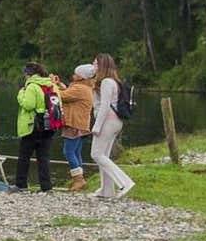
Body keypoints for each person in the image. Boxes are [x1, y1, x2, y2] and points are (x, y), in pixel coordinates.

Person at [89, 52, 134, 200]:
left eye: (96, 63)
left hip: (108, 121)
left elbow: (105, 106)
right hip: (114, 121)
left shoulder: (107, 82)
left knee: (96, 154)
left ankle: (125, 182)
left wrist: (97, 126)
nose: (93, 66)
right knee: (104, 155)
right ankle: (107, 190)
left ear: (102, 66)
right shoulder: (113, 81)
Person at [13, 62, 61, 191]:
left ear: (28, 74)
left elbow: (28, 104)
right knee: (43, 157)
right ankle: (46, 186)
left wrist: (20, 94)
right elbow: (58, 103)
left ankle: (20, 184)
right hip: (49, 125)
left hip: (33, 125)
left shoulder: (32, 87)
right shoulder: (52, 86)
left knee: (24, 156)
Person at [58, 63, 96, 191]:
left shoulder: (79, 88)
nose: (73, 75)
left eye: (76, 74)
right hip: (82, 125)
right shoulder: (85, 87)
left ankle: (78, 180)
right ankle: (80, 179)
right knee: (76, 152)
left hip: (74, 124)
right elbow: (68, 93)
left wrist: (51, 86)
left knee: (68, 152)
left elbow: (61, 96)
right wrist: (61, 86)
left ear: (81, 77)